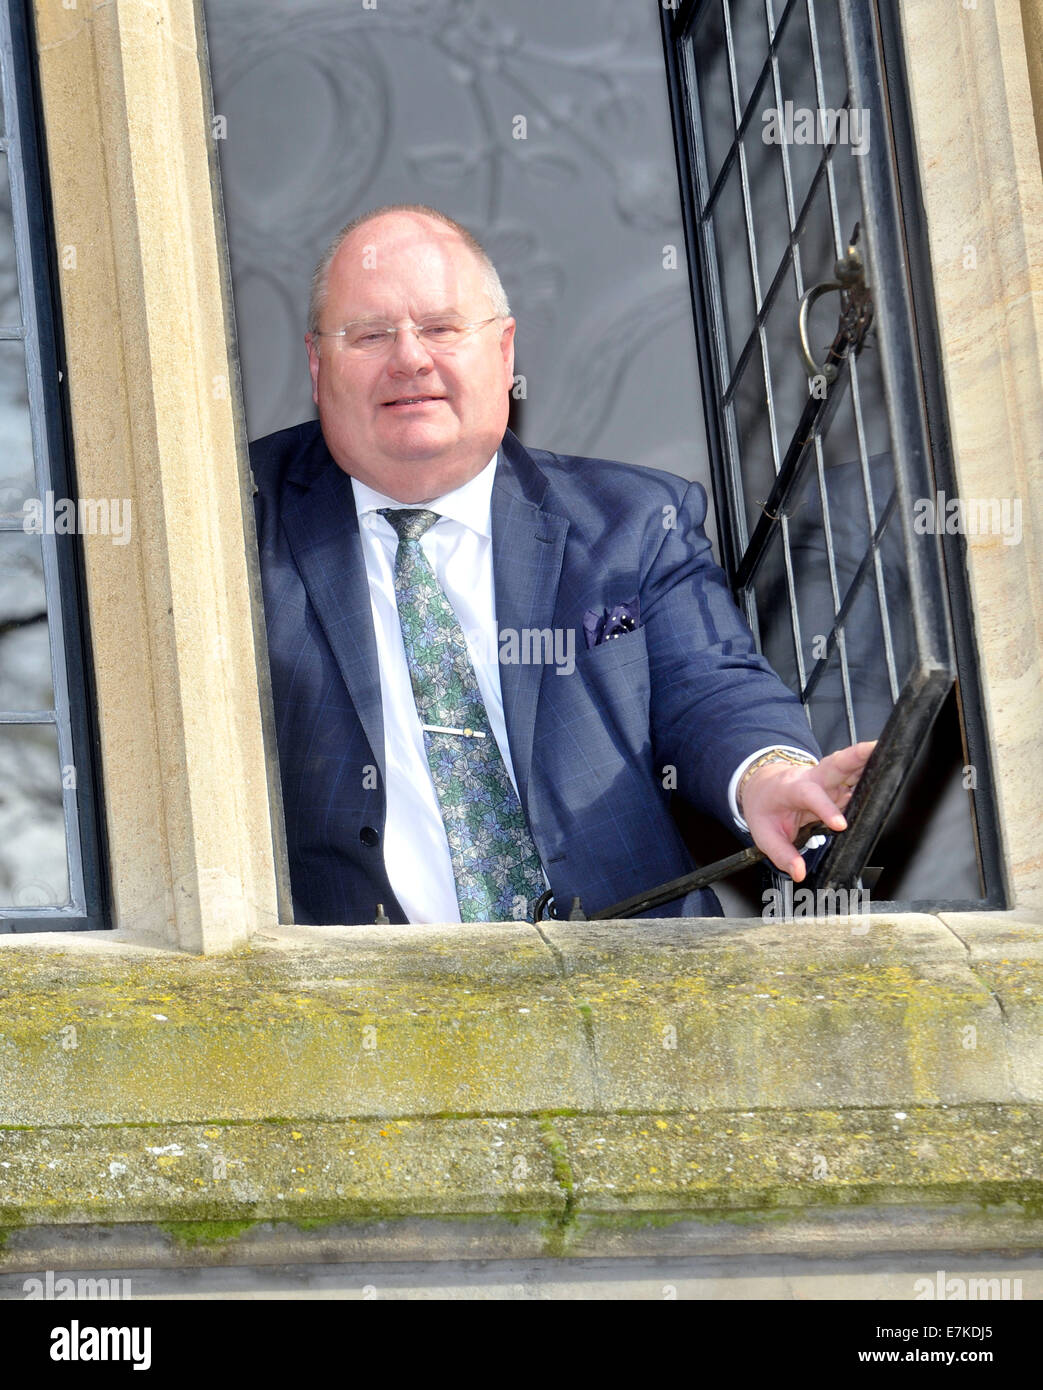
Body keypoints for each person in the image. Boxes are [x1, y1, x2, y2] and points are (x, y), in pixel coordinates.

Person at [250, 204, 873, 925]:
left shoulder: (632, 520)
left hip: (632, 990)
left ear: (505, 351)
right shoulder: (229, 520)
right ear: (317, 362)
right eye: (370, 334)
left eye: (443, 328)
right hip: (358, 1010)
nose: (410, 358)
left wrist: (767, 777)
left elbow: (708, 685)